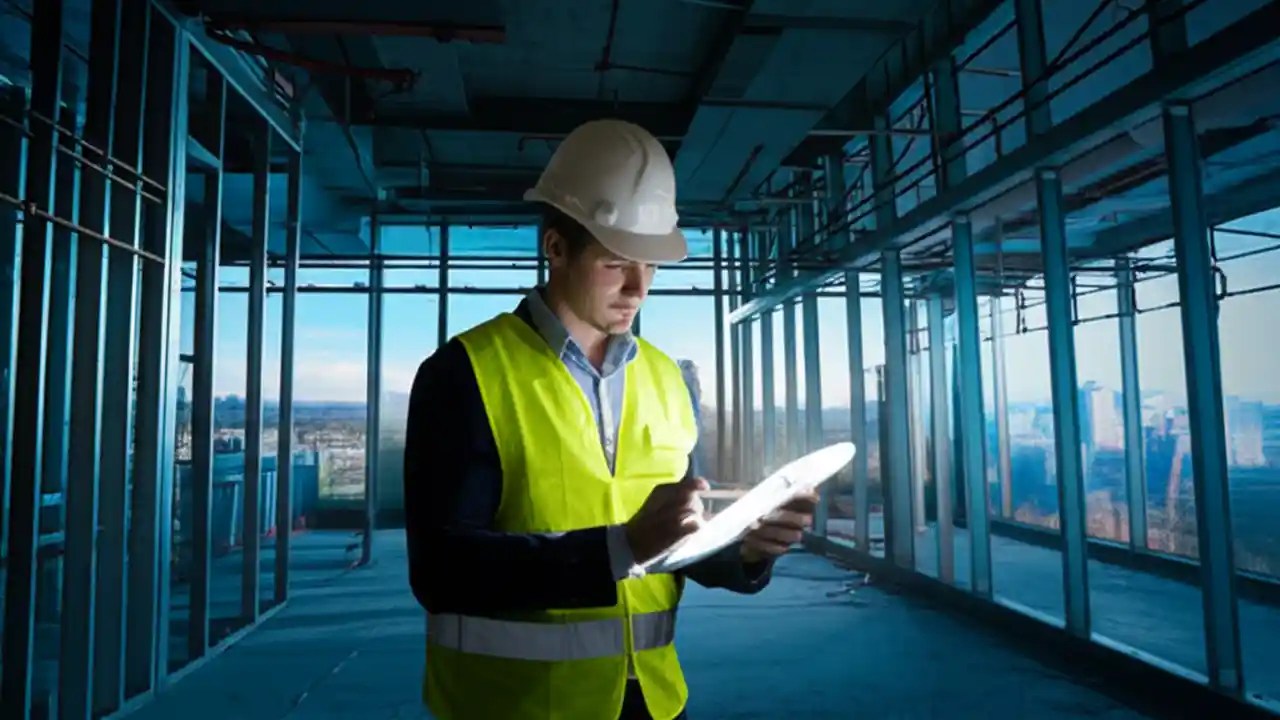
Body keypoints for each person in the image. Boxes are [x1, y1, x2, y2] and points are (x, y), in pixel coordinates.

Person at [402, 118, 819, 720]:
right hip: (511, 705)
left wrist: (748, 552)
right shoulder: (463, 374)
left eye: (650, 266)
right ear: (556, 247)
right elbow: (442, 571)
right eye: (617, 262)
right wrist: (615, 551)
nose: (637, 288)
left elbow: (676, 539)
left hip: (647, 698)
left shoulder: (666, 377)